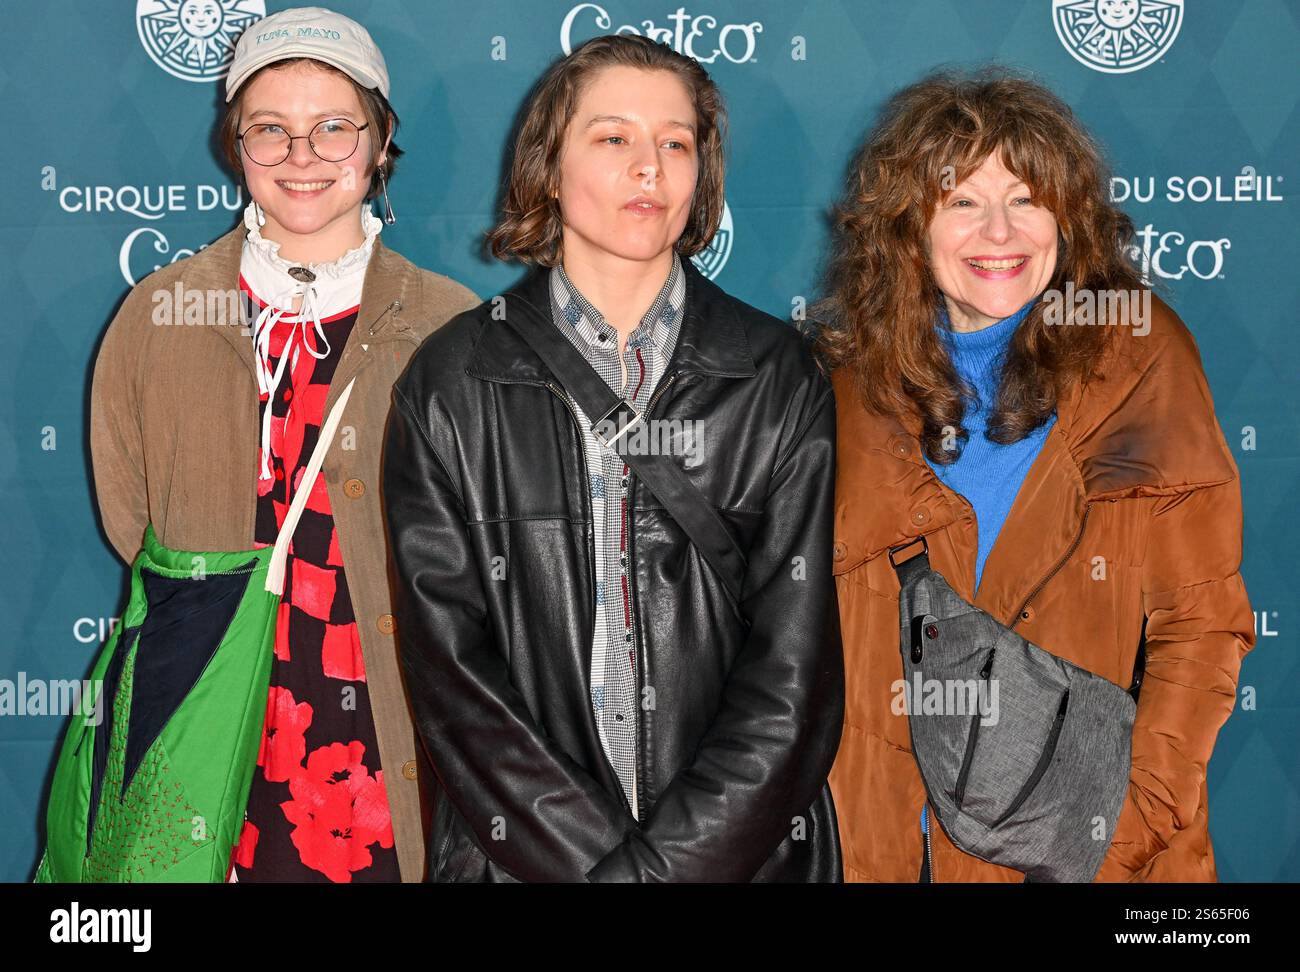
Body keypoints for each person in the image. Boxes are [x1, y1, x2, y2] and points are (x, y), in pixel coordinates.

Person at [382, 34, 843, 882]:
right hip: (522, 866)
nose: (650, 168)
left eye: (676, 142)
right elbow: (453, 678)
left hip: (742, 864)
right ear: (547, 167)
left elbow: (795, 676)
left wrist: (667, 870)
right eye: (613, 138)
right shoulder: (451, 381)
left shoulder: (775, 373)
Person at [815, 68, 1255, 882]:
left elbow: (1202, 630)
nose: (1000, 231)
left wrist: (1114, 837)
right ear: (910, 228)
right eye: (962, 202)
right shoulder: (844, 389)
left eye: (1026, 198)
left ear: (1067, 218)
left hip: (1096, 857)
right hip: (886, 852)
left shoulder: (1138, 358)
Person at [88, 6, 478, 882]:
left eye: (333, 128)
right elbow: (135, 517)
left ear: (379, 145)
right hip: (206, 734)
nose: (302, 158)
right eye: (271, 131)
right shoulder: (160, 316)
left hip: (394, 743)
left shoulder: (451, 327)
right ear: (236, 146)